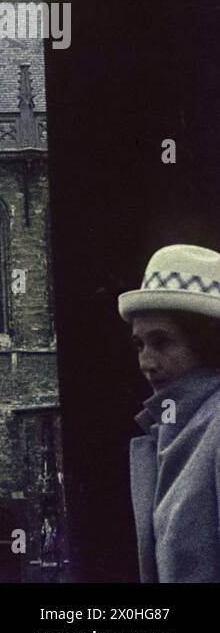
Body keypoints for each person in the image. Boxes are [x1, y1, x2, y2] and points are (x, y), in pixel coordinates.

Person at [119, 244, 220, 582]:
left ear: (206, 342)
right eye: (139, 345)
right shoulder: (171, 427)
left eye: (161, 342)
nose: (146, 363)